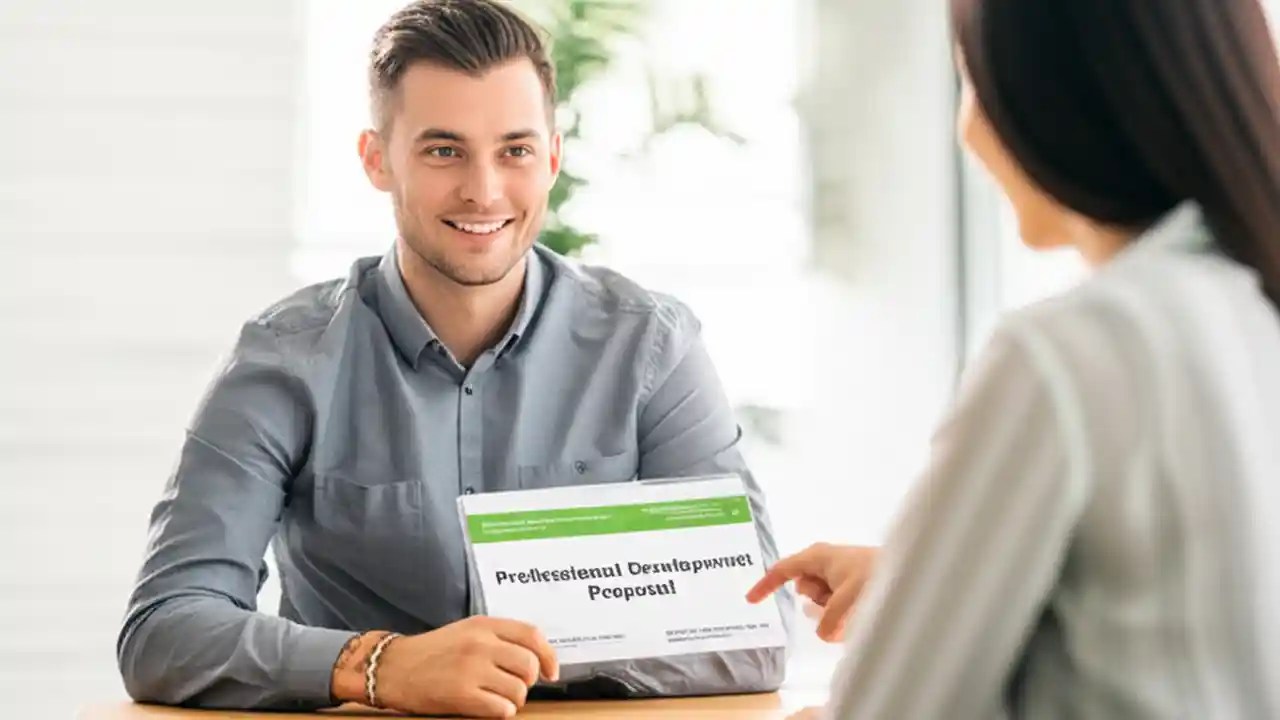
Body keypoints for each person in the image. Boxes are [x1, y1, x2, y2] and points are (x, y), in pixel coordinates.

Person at [116, 1, 789, 716]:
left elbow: (754, 632)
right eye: (444, 150)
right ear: (378, 160)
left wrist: (517, 662)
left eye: (515, 151)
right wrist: (381, 665)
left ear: (553, 158)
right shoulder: (285, 360)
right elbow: (164, 628)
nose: (484, 190)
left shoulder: (651, 348)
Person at [749, 0, 1280, 717]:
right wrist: (925, 590)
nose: (967, 132)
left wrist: (913, 619)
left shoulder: (1073, 348)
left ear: (1054, 98)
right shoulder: (1242, 304)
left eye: (973, 87)